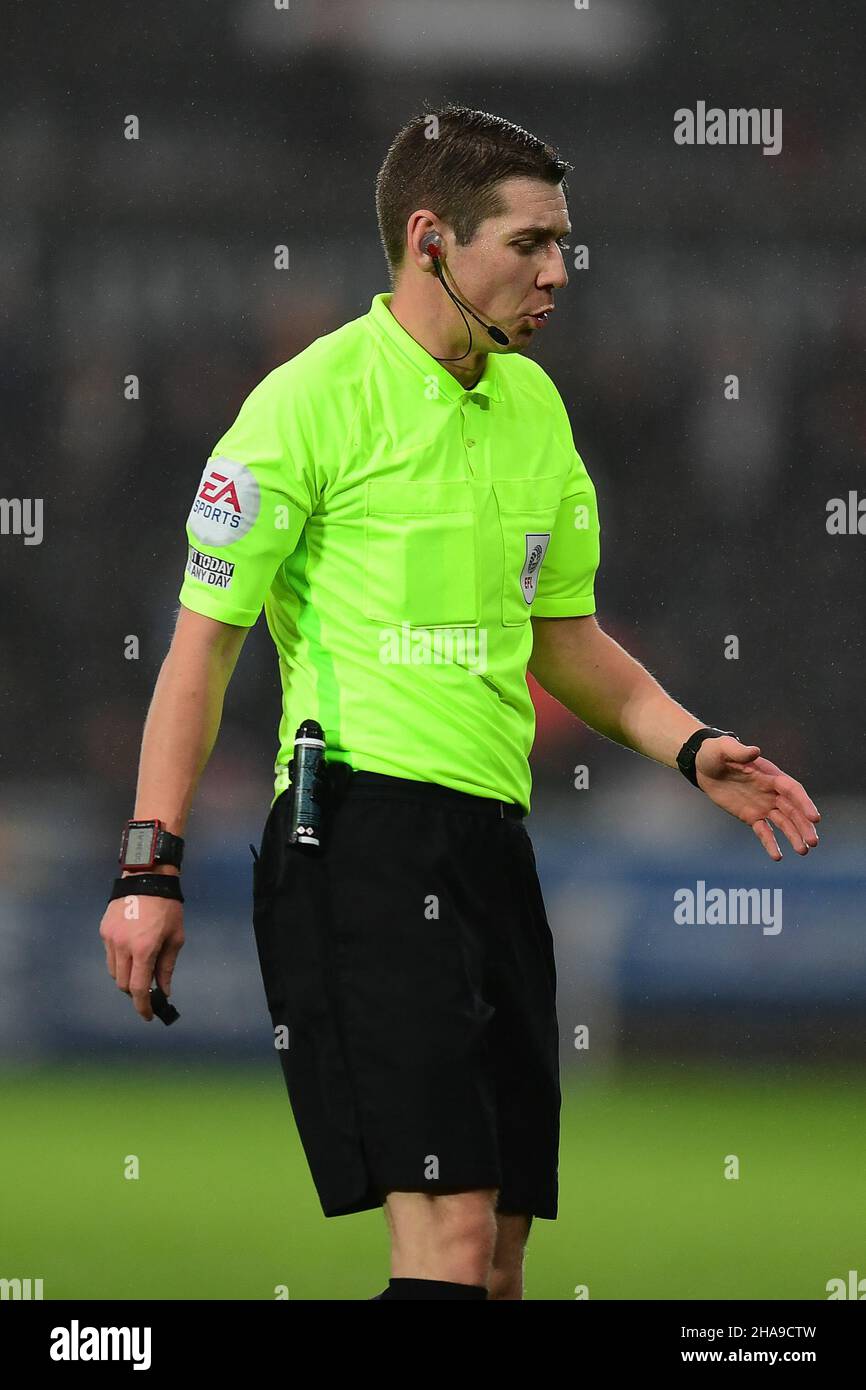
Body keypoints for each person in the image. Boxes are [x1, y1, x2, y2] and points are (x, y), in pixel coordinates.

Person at [99, 105, 821, 1301]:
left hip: (491, 839)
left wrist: (688, 746)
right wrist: (147, 868)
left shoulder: (534, 407)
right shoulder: (304, 405)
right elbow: (199, 657)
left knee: (494, 1258)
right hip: (360, 834)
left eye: (562, 243)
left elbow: (567, 640)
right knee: (443, 1233)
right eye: (529, 242)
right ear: (431, 238)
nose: (556, 271)